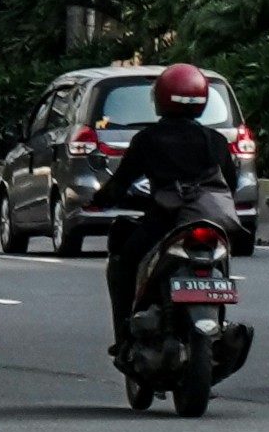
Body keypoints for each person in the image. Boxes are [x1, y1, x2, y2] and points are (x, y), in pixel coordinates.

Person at [94, 64, 243, 335]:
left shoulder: (147, 139)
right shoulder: (216, 140)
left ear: (160, 99)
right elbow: (229, 185)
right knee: (222, 264)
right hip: (209, 223)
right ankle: (219, 325)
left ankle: (124, 334)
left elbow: (119, 184)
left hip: (163, 224)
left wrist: (100, 199)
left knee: (124, 261)